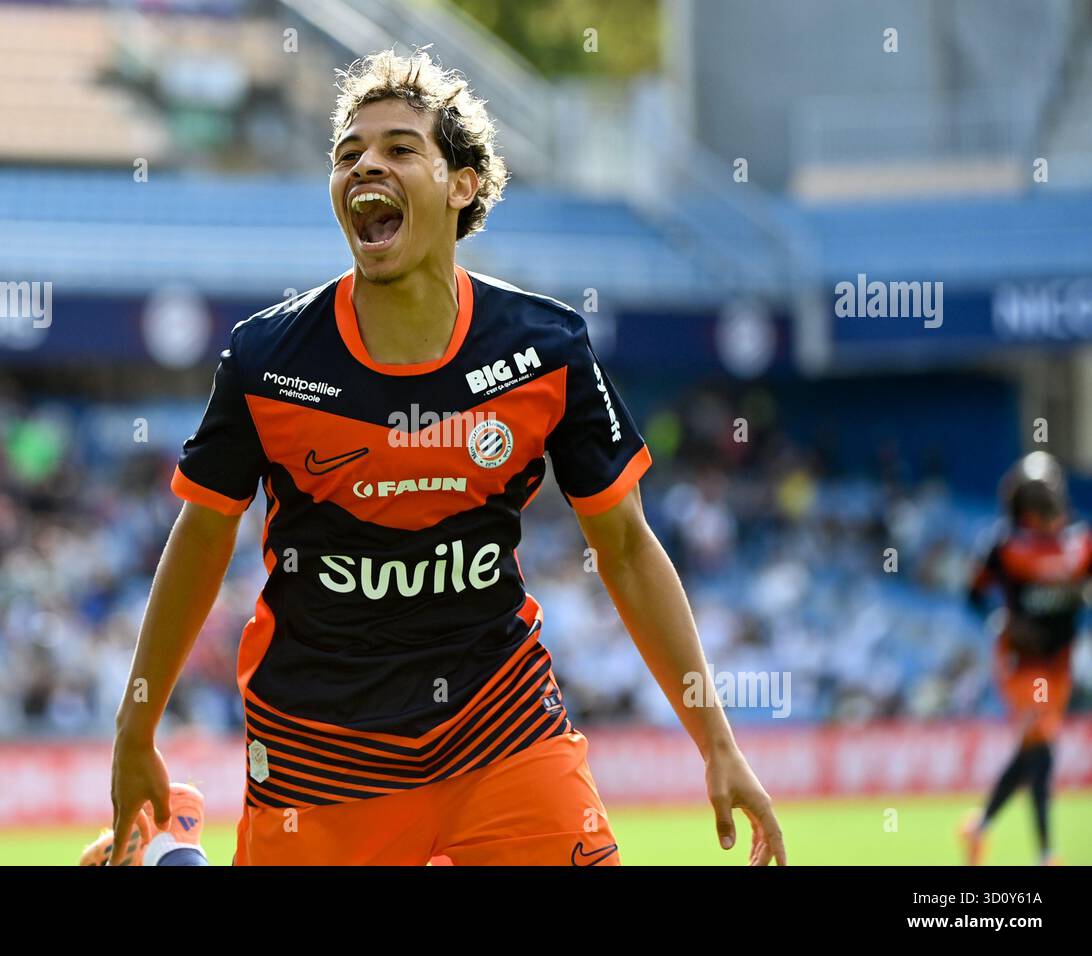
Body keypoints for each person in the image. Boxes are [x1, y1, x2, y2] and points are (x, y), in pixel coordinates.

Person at [107, 49, 784, 866]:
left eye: (398, 148)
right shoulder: (267, 356)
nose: (366, 165)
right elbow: (203, 535)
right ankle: (172, 856)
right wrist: (136, 728)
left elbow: (629, 549)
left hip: (501, 728)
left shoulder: (545, 348)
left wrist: (716, 741)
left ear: (461, 183)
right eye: (348, 153)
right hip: (321, 749)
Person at [962, 451, 1088, 865]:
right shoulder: (1003, 548)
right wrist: (1002, 619)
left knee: (1037, 748)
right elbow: (974, 595)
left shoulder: (1081, 545)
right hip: (1020, 662)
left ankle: (978, 827)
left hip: (1060, 663)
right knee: (1041, 746)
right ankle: (1047, 853)